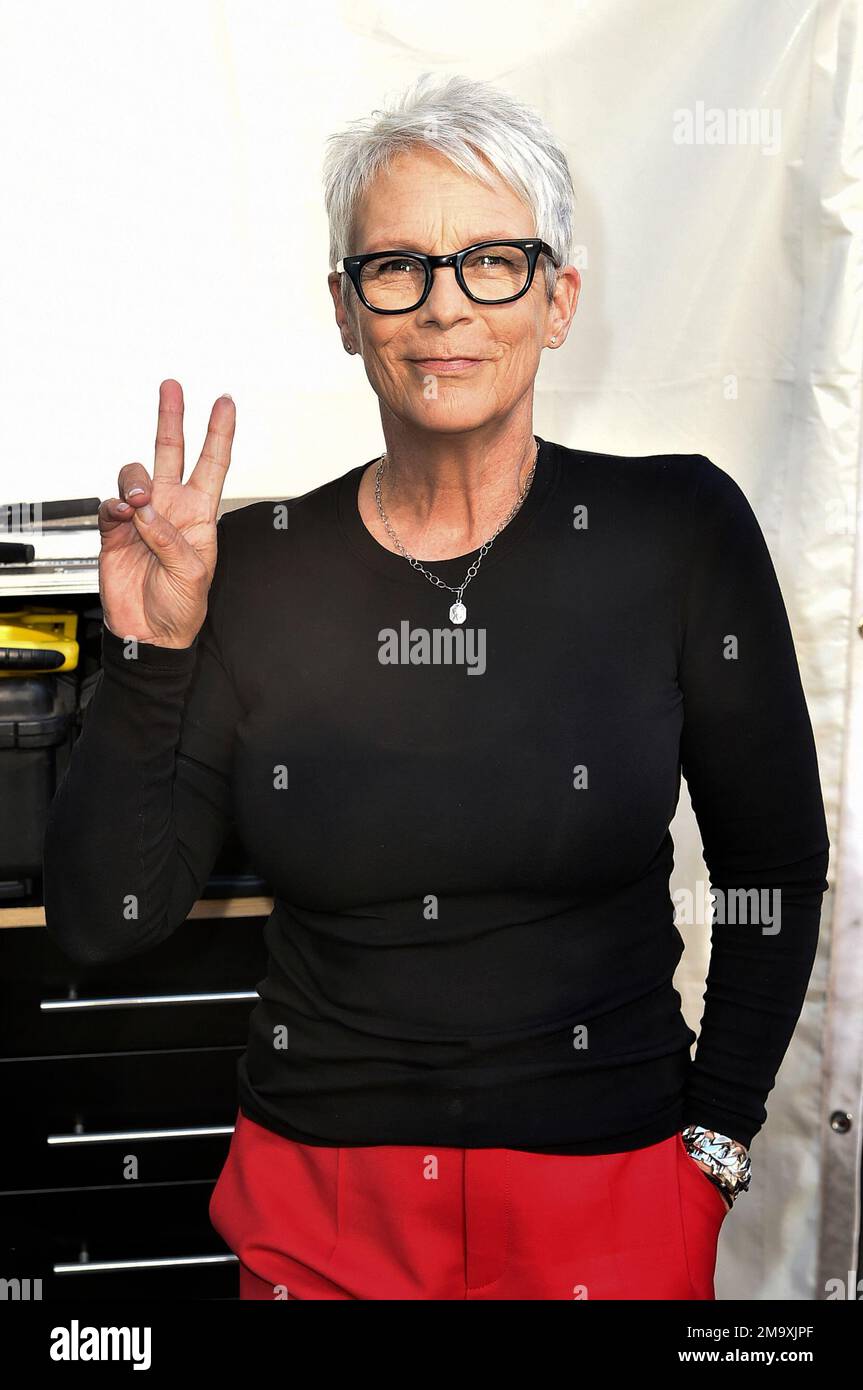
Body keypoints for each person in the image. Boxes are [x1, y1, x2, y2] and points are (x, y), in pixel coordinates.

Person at [43, 72, 830, 1301]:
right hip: (319, 1207)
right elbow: (108, 919)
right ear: (347, 312)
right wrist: (149, 655)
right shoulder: (249, 569)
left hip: (609, 1194)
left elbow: (770, 870)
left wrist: (712, 1150)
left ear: (557, 297)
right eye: (396, 267)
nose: (443, 306)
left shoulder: (675, 530)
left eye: (492, 262)